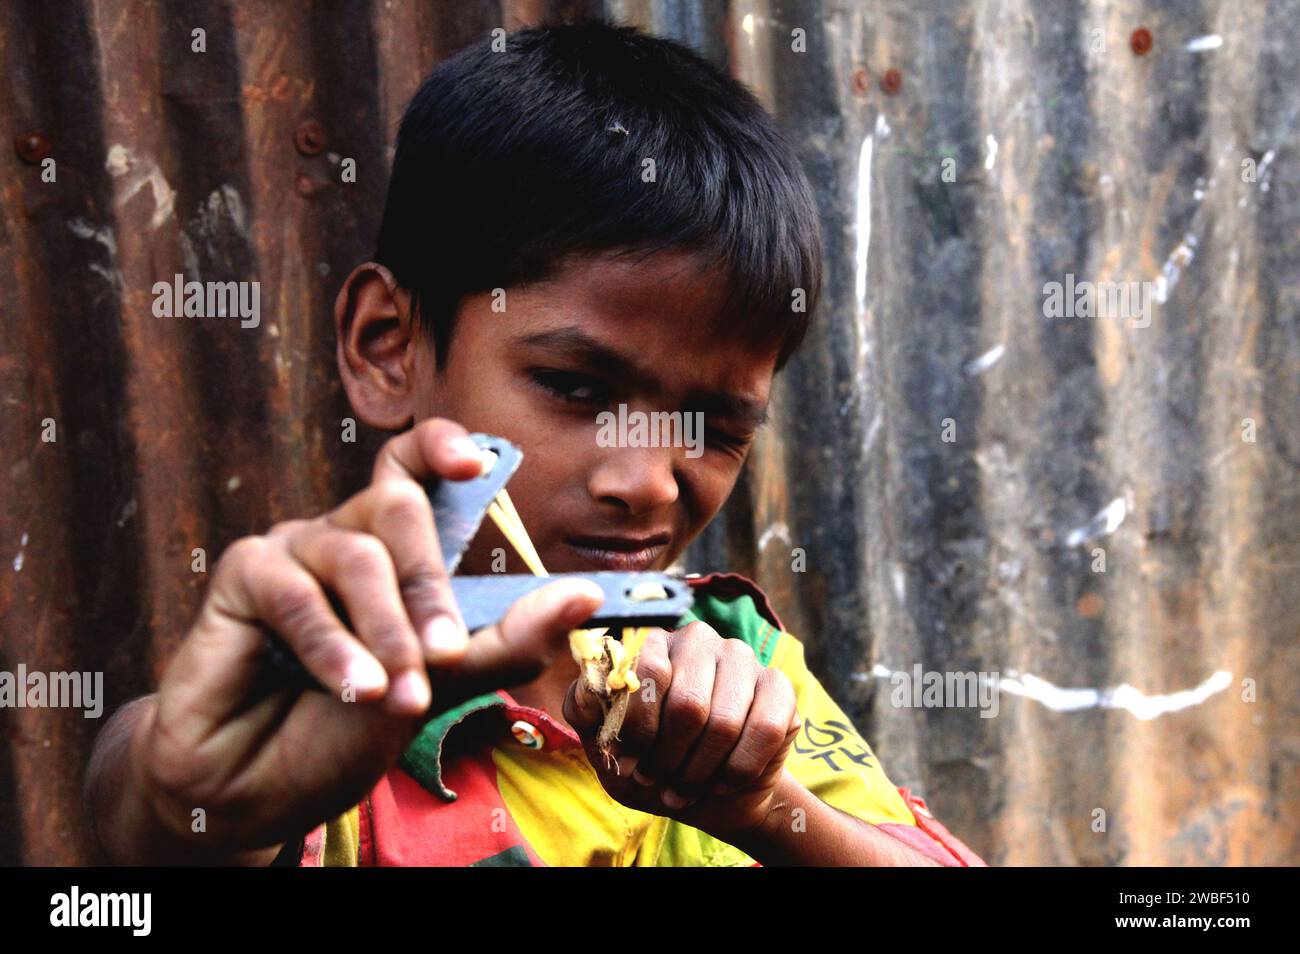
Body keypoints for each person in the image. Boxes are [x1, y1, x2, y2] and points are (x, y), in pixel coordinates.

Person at [85, 18, 984, 867]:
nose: (650, 483)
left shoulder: (735, 661)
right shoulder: (339, 698)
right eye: (577, 389)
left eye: (712, 429)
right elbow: (155, 796)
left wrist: (762, 806)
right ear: (389, 346)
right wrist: (178, 788)